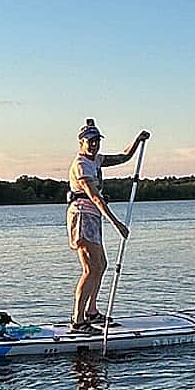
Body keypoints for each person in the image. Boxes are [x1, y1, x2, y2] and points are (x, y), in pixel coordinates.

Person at [66, 118, 151, 334]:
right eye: (90, 141)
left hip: (92, 217)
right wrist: (117, 223)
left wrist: (137, 141)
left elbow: (123, 157)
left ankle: (91, 312)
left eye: (96, 140)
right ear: (81, 142)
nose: (94, 144)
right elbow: (95, 197)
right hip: (82, 216)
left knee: (101, 265)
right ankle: (78, 320)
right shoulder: (81, 165)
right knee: (90, 268)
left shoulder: (97, 160)